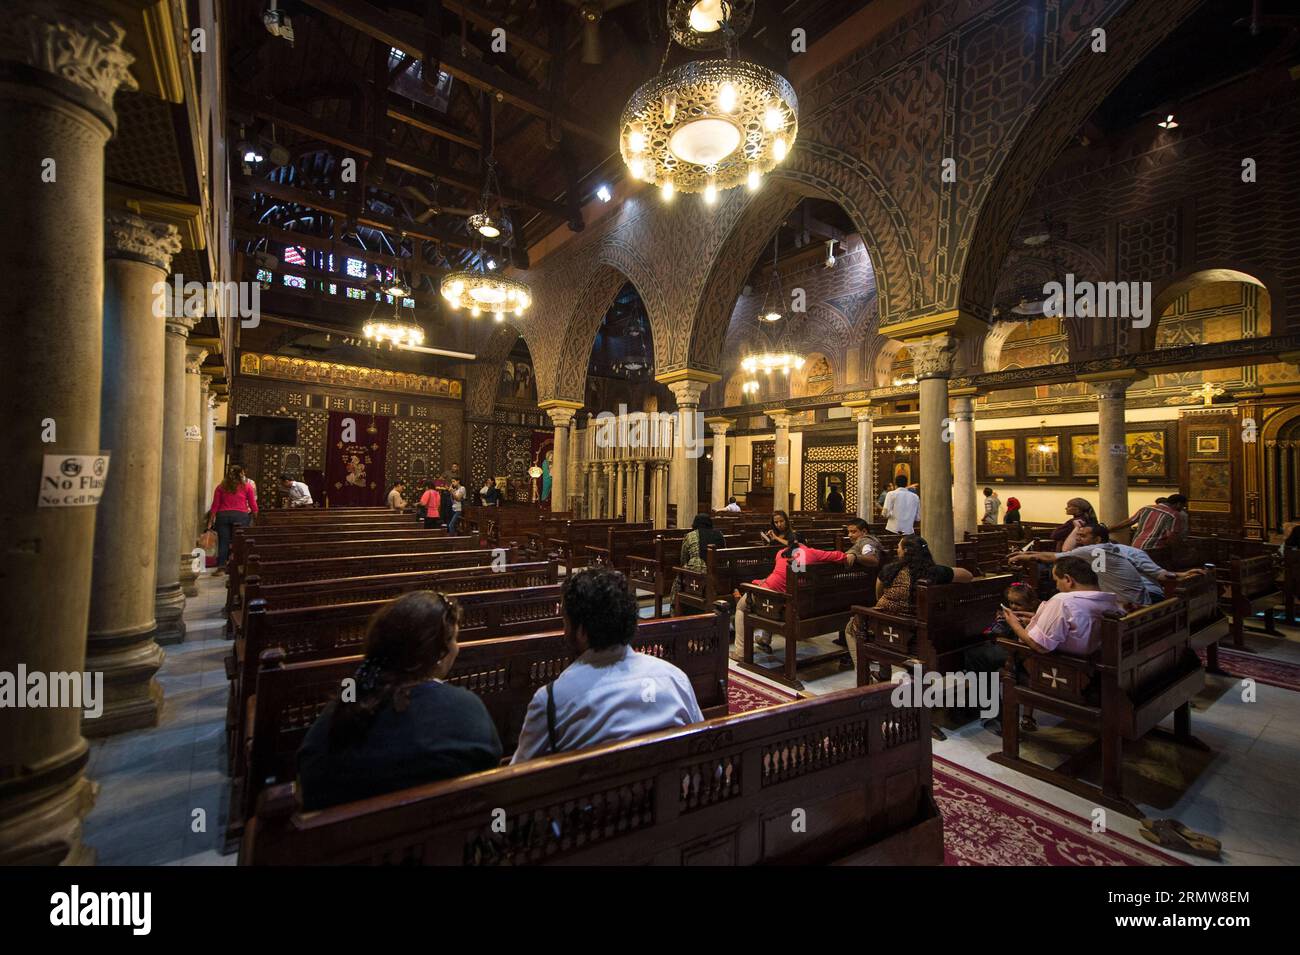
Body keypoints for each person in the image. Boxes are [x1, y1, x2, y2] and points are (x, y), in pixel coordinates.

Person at [296, 591, 501, 810]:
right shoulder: (465, 710)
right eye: (455, 639)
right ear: (439, 654)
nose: (458, 648)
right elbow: (489, 767)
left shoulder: (333, 722)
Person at [512, 569, 703, 762]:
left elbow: (515, 782)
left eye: (565, 621)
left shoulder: (552, 702)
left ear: (581, 631)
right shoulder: (674, 679)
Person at [1011, 523, 1203, 609]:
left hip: (1133, 605)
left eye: (1082, 535)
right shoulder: (1104, 554)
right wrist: (1181, 575)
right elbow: (1103, 574)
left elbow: (1054, 556)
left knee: (1062, 602)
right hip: (1136, 602)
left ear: (1096, 539)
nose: (1078, 538)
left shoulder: (1095, 551)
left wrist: (1025, 556)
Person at [732, 535, 858, 659]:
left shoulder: (781, 553)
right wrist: (852, 555)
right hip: (800, 601)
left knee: (741, 606)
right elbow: (840, 556)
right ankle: (764, 639)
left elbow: (779, 579)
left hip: (780, 601)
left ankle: (740, 652)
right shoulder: (812, 553)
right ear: (806, 543)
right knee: (770, 593)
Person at [997, 556, 1122, 657]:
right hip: (1095, 659)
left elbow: (1040, 646)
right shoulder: (1109, 600)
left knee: (982, 656)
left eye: (1056, 580)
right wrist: (1037, 618)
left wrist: (1014, 624)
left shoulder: (1063, 600)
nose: (1056, 587)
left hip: (1061, 665)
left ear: (1068, 579)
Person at [962, 581, 1041, 733]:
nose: (1013, 607)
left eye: (1018, 603)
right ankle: (993, 709)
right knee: (984, 658)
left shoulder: (1032, 617)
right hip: (1019, 653)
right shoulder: (1033, 614)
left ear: (1031, 604)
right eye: (1010, 603)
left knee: (977, 657)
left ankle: (997, 711)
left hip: (1020, 654)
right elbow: (993, 631)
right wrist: (998, 623)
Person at [873, 534, 973, 616]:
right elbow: (968, 576)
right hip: (916, 620)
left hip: (885, 618)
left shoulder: (890, 569)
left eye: (899, 547)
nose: (897, 550)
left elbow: (878, 592)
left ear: (906, 550)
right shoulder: (934, 571)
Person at [206, 464, 258, 573]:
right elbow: (253, 504)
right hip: (240, 516)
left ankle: (221, 567)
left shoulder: (220, 487)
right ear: (241, 474)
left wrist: (210, 522)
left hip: (223, 516)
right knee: (238, 542)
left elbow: (215, 505)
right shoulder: (247, 486)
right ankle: (236, 566)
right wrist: (255, 517)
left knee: (223, 542)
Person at [669, 515, 726, 610]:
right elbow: (724, 553)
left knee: (679, 577)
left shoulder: (690, 535)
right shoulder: (719, 534)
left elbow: (683, 558)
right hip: (719, 576)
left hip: (698, 575)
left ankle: (675, 608)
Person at [1112, 494, 1184, 551]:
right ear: (1178, 504)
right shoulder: (1173, 515)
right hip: (1155, 550)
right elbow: (1171, 536)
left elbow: (1129, 521)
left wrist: (1109, 529)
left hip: (1136, 546)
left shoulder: (1146, 508)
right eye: (1183, 506)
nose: (1182, 508)